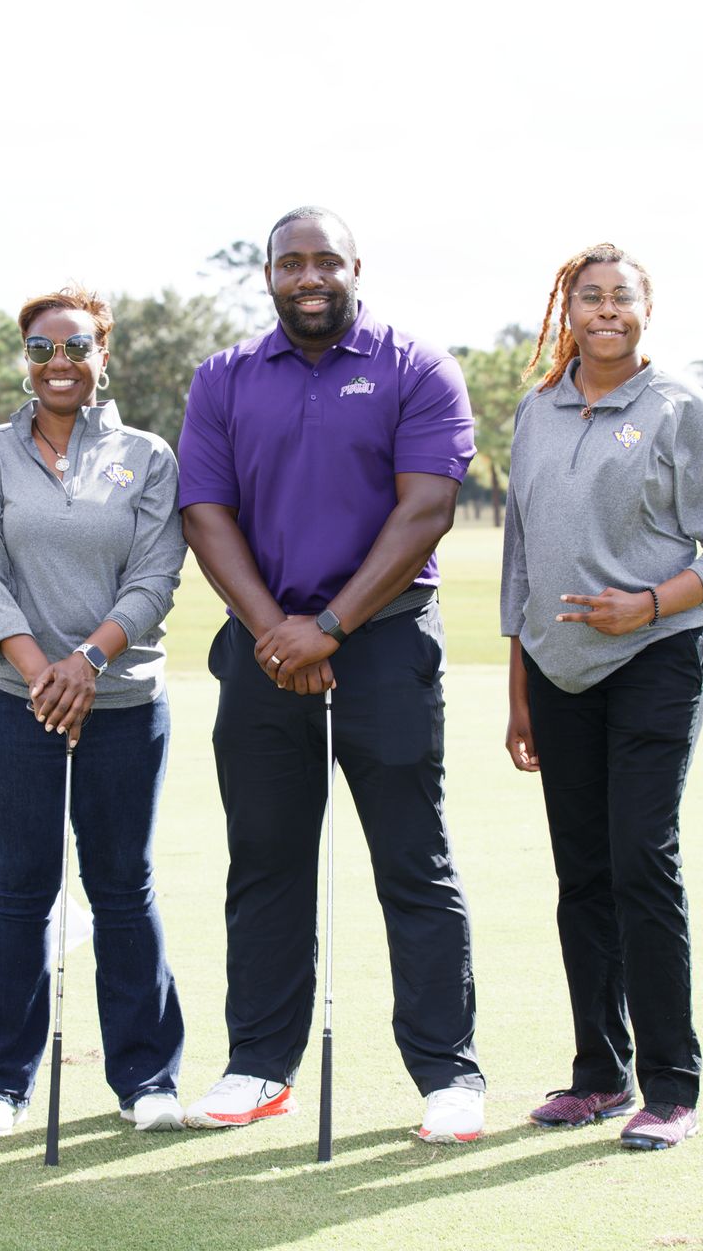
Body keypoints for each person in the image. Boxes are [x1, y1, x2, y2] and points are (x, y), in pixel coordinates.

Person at [176, 206, 487, 1144]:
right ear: (268, 274)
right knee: (266, 864)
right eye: (290, 263)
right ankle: (258, 1066)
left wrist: (331, 627)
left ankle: (448, 1075)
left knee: (413, 863)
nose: (308, 277)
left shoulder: (416, 368)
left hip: (383, 644)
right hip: (264, 648)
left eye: (325, 262)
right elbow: (204, 511)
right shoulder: (224, 377)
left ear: (356, 268)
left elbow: (425, 509)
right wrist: (278, 633)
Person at [502, 243, 703, 1150]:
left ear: (647, 310)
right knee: (582, 875)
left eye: (622, 297)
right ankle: (599, 1077)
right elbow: (522, 558)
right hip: (558, 672)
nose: (605, 310)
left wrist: (648, 604)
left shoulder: (680, 409)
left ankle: (672, 1089)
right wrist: (520, 690)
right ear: (565, 311)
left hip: (657, 656)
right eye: (589, 297)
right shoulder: (536, 411)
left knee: (640, 859)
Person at [0, 286, 189, 1138]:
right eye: (43, 349)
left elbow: (156, 575)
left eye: (77, 347)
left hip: (122, 701)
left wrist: (87, 663)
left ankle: (146, 1078)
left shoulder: (147, 455)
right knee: (20, 888)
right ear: (25, 359)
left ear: (103, 356)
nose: (60, 363)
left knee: (123, 887)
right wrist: (44, 676)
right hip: (11, 701)